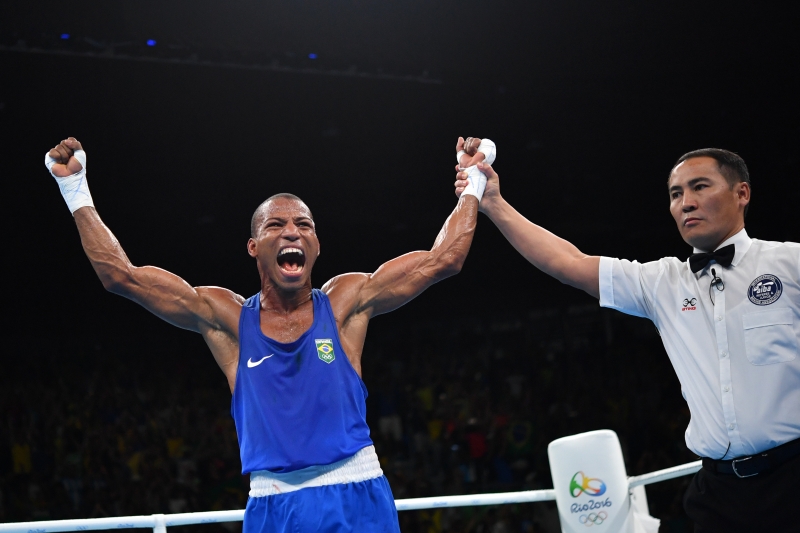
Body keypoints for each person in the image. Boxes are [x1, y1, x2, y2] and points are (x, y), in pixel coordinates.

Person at [44, 136, 482, 532]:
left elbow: (443, 259)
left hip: (357, 493)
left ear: (315, 246)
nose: (292, 231)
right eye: (276, 225)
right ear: (254, 247)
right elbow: (122, 277)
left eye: (304, 225)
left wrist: (474, 185)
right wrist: (75, 189)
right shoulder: (227, 318)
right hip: (274, 505)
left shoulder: (347, 301)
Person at [453, 147, 799, 532]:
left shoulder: (791, 265)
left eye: (700, 187)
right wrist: (494, 204)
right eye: (676, 193)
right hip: (717, 495)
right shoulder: (663, 283)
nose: (687, 203)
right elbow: (569, 262)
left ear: (742, 193)